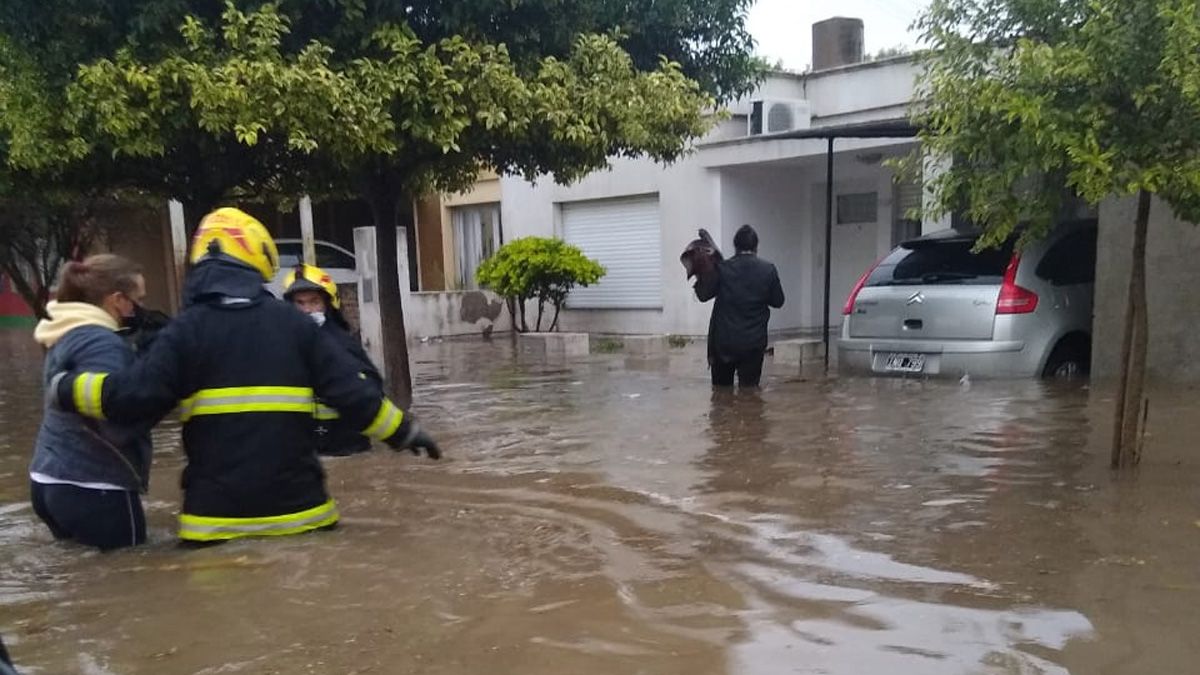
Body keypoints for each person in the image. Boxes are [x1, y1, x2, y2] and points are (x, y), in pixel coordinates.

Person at [48, 207, 441, 545]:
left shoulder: (184, 332)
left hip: (214, 526)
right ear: (257, 261)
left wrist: (66, 387)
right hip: (302, 518)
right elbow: (354, 396)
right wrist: (405, 432)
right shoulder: (296, 326)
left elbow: (129, 398)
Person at [29, 254, 153, 551]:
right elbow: (115, 404)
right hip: (96, 485)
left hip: (48, 477)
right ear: (117, 300)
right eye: (138, 299)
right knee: (131, 578)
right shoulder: (102, 342)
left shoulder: (66, 332)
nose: (140, 308)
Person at [283, 263, 380, 456]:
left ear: (328, 304)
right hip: (304, 451)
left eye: (314, 301)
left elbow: (373, 392)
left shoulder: (345, 345)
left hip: (346, 446)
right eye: (300, 303)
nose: (307, 310)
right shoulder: (279, 345)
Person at [695, 224, 785, 388]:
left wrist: (703, 272)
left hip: (723, 345)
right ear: (756, 246)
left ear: (735, 246)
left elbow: (703, 295)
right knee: (750, 398)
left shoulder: (722, 269)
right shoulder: (768, 270)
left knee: (721, 398)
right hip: (753, 345)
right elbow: (778, 301)